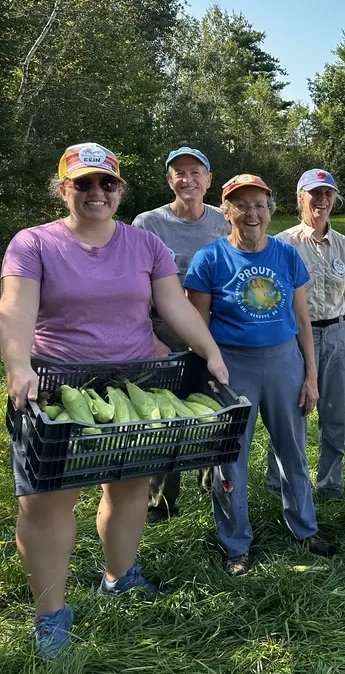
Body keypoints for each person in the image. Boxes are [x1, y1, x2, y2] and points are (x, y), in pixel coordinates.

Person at [0, 143, 229, 660]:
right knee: (48, 501)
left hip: (135, 381)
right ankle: (51, 614)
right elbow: (15, 309)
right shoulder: (34, 243)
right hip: (57, 386)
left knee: (130, 486)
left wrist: (210, 351)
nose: (96, 192)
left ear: (120, 188)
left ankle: (119, 576)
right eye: (83, 183)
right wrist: (17, 367)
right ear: (64, 189)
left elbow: (174, 306)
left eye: (106, 182)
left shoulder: (144, 244)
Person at [183, 173, 334, 576]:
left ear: (270, 210)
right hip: (232, 366)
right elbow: (197, 327)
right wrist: (209, 372)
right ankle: (236, 544)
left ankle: (304, 528)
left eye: (260, 205)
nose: (252, 213)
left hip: (284, 363)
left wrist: (311, 376)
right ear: (226, 212)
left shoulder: (286, 255)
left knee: (293, 450)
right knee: (230, 458)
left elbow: (302, 319)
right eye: (242, 205)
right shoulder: (209, 260)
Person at [132, 146, 230, 522]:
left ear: (209, 179)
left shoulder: (224, 220)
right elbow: (134, 286)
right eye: (179, 172)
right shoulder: (148, 224)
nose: (187, 179)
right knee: (164, 414)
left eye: (195, 172)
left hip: (216, 332)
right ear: (169, 180)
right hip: (165, 332)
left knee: (213, 408)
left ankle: (212, 485)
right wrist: (149, 336)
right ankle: (161, 501)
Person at [269, 169, 345, 501]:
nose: (322, 199)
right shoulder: (283, 244)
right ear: (301, 197)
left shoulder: (344, 246)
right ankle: (281, 483)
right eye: (315, 193)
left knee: (335, 414)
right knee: (290, 412)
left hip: (337, 333)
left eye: (328, 193)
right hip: (296, 337)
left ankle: (330, 484)